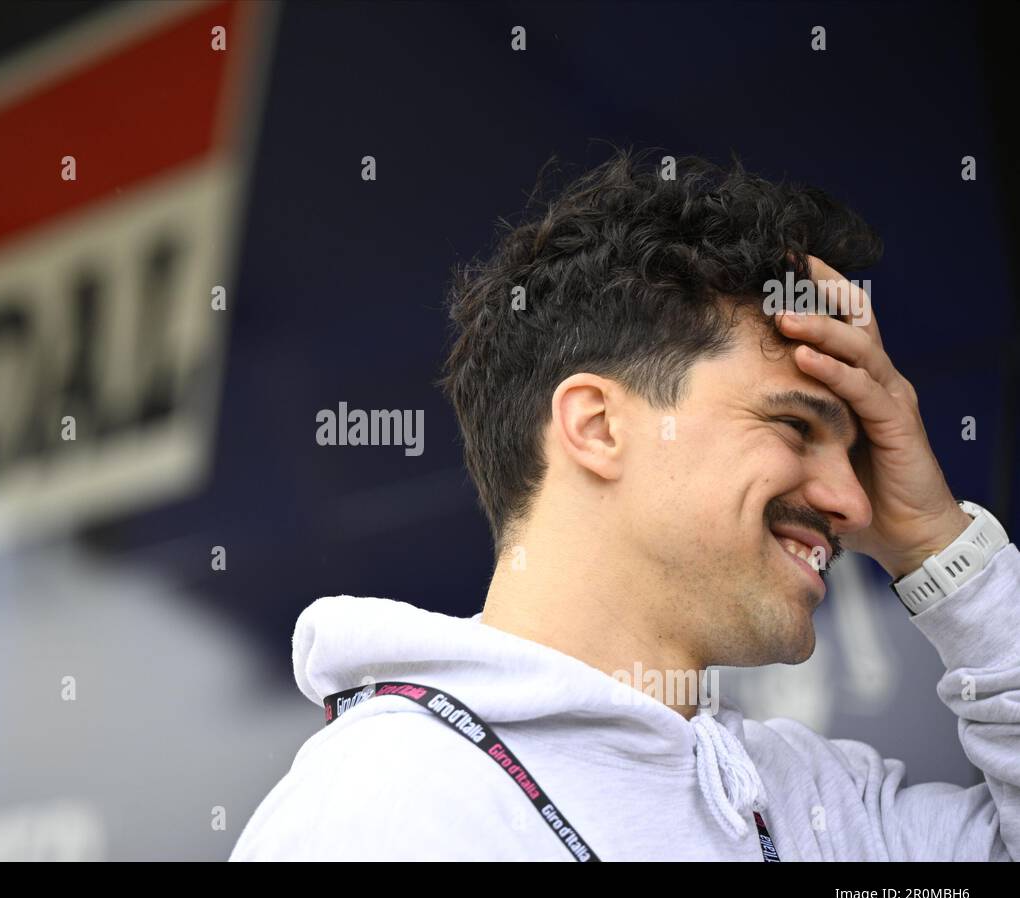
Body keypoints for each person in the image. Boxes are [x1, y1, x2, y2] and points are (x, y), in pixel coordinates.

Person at [230, 149, 1018, 861]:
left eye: (853, 453)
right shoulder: (374, 819)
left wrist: (938, 545)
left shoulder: (818, 804)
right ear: (598, 427)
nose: (850, 502)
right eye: (793, 426)